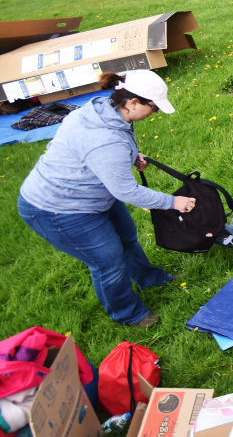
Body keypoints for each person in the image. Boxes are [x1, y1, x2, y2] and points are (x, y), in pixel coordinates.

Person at [18, 70, 188, 328]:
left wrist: (131, 156)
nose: (153, 114)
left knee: (128, 239)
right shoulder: (105, 140)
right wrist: (173, 202)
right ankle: (128, 314)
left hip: (93, 194)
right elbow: (126, 191)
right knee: (109, 261)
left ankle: (149, 278)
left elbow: (99, 153)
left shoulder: (104, 109)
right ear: (132, 102)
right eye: (153, 108)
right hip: (57, 209)